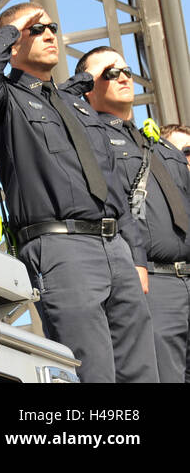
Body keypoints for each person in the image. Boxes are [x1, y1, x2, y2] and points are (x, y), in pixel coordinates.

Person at [0, 4, 158, 382]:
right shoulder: (5, 102)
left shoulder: (78, 108)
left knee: (142, 372)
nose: (50, 33)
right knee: (92, 373)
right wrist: (14, 27)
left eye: (52, 26)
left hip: (114, 247)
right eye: (36, 30)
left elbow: (114, 187)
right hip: (61, 249)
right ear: (14, 44)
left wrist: (135, 254)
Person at [69, 48, 190, 382]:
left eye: (127, 70)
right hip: (153, 281)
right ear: (88, 86)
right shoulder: (91, 143)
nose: (123, 76)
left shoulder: (163, 149)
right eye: (110, 72)